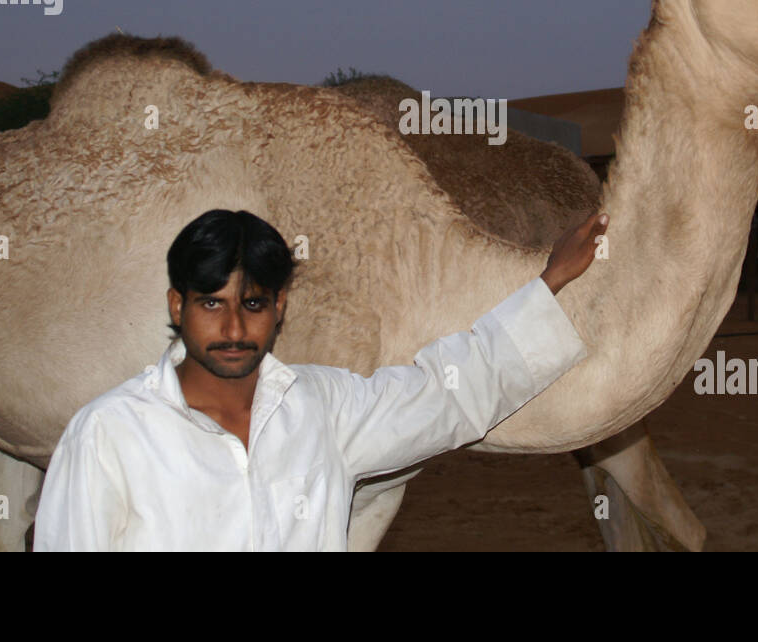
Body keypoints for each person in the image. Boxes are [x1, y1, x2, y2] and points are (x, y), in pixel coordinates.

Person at [34, 207, 604, 551]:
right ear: (176, 305)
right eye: (211, 303)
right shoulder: (108, 435)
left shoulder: (319, 409)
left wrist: (548, 283)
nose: (233, 326)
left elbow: (444, 395)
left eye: (252, 303)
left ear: (280, 307)